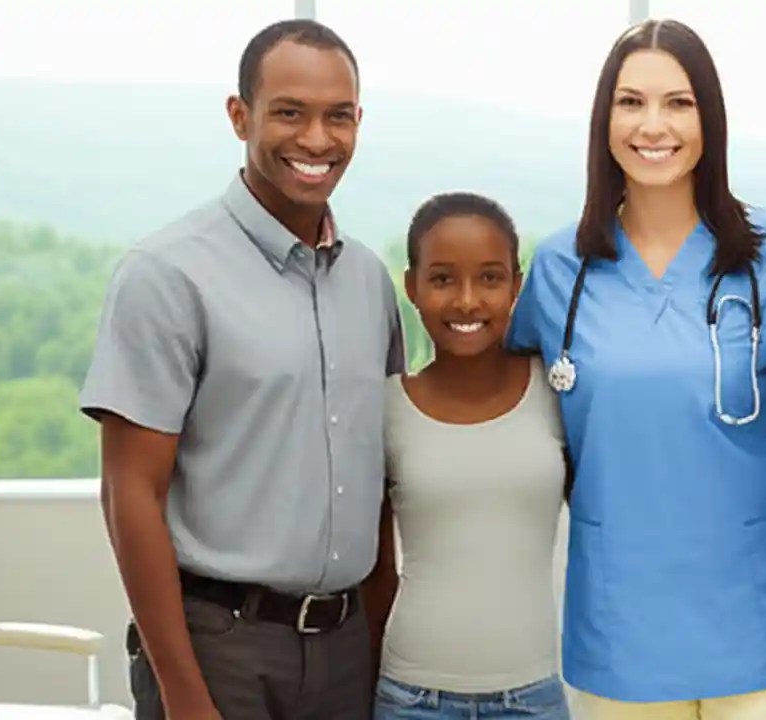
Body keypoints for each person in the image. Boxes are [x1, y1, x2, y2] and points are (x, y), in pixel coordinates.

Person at [79, 19, 404, 720]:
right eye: (290, 112)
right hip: (216, 650)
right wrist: (182, 691)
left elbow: (378, 489)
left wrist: (379, 645)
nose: (317, 140)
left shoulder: (371, 284)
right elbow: (128, 493)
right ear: (240, 116)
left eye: (338, 116)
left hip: (347, 652)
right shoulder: (166, 275)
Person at [506, 18, 766, 719]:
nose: (654, 125)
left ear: (711, 117)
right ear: (604, 121)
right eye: (631, 102)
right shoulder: (561, 269)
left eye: (679, 102)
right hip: (621, 624)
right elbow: (506, 413)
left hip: (758, 621)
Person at [367, 191, 571, 719]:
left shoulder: (556, 395)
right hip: (411, 697)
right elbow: (374, 569)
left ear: (516, 286)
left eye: (489, 277)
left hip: (534, 696)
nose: (466, 301)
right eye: (441, 279)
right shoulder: (387, 408)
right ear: (411, 287)